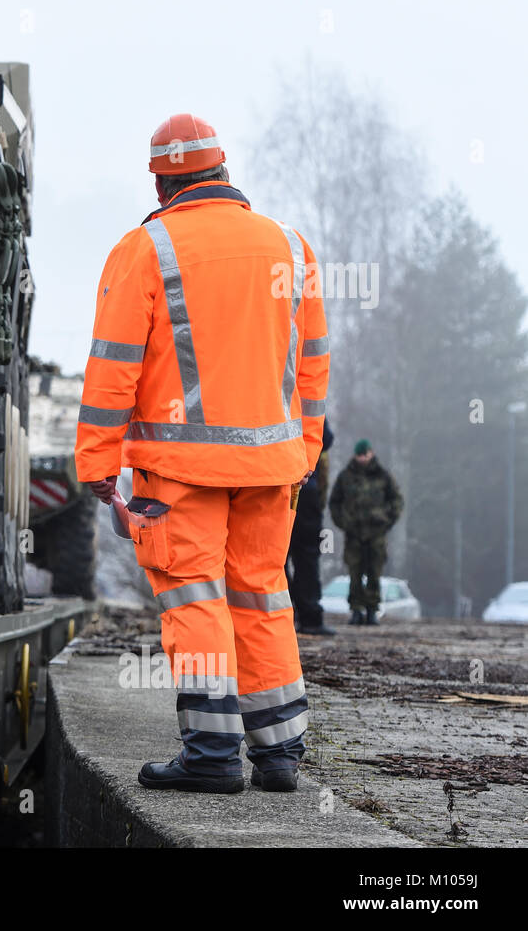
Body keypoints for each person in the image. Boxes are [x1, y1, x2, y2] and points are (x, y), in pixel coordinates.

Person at [77, 113, 329, 794]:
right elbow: (312, 366)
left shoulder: (144, 250)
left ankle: (213, 755)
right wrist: (303, 449)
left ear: (161, 182)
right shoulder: (290, 247)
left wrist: (97, 466)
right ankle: (278, 753)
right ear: (223, 170)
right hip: (273, 468)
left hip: (180, 471)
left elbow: (113, 369)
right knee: (263, 594)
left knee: (196, 598)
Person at [328, 440, 404, 625]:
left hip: (376, 532)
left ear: (371, 453)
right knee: (354, 571)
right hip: (353, 532)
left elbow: (397, 500)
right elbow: (334, 502)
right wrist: (343, 522)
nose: (362, 458)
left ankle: (372, 609)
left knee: (374, 571)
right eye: (359, 455)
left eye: (365, 454)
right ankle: (355, 610)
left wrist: (387, 520)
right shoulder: (346, 476)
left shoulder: (383, 475)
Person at [288, 421, 336, 635]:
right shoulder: (305, 393)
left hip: (271, 481)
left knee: (273, 557)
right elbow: (325, 437)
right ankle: (309, 616)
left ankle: (284, 614)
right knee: (307, 555)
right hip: (305, 483)